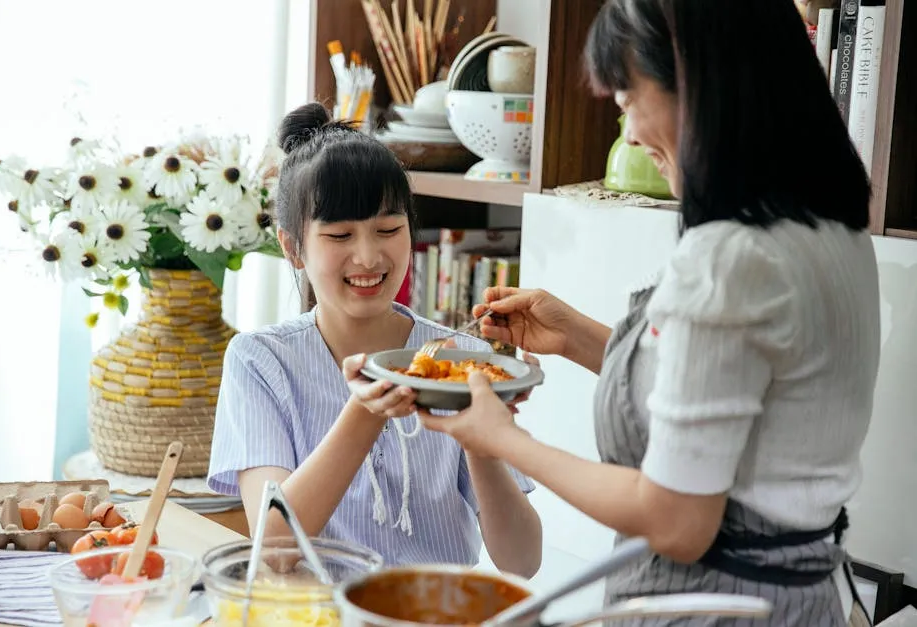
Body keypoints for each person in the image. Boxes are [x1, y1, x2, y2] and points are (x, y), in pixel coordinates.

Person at [419, 0, 879, 624]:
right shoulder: (834, 234)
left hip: (711, 608)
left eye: (629, 97)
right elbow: (736, 397)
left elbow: (677, 520)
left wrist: (502, 439)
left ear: (699, 84)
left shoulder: (728, 261)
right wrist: (579, 335)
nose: (630, 133)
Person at [206, 102, 542, 577]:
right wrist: (366, 409)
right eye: (340, 235)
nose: (368, 256)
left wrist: (481, 442)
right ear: (292, 247)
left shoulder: (464, 360)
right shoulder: (260, 361)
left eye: (388, 229)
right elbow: (275, 548)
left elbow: (523, 562)